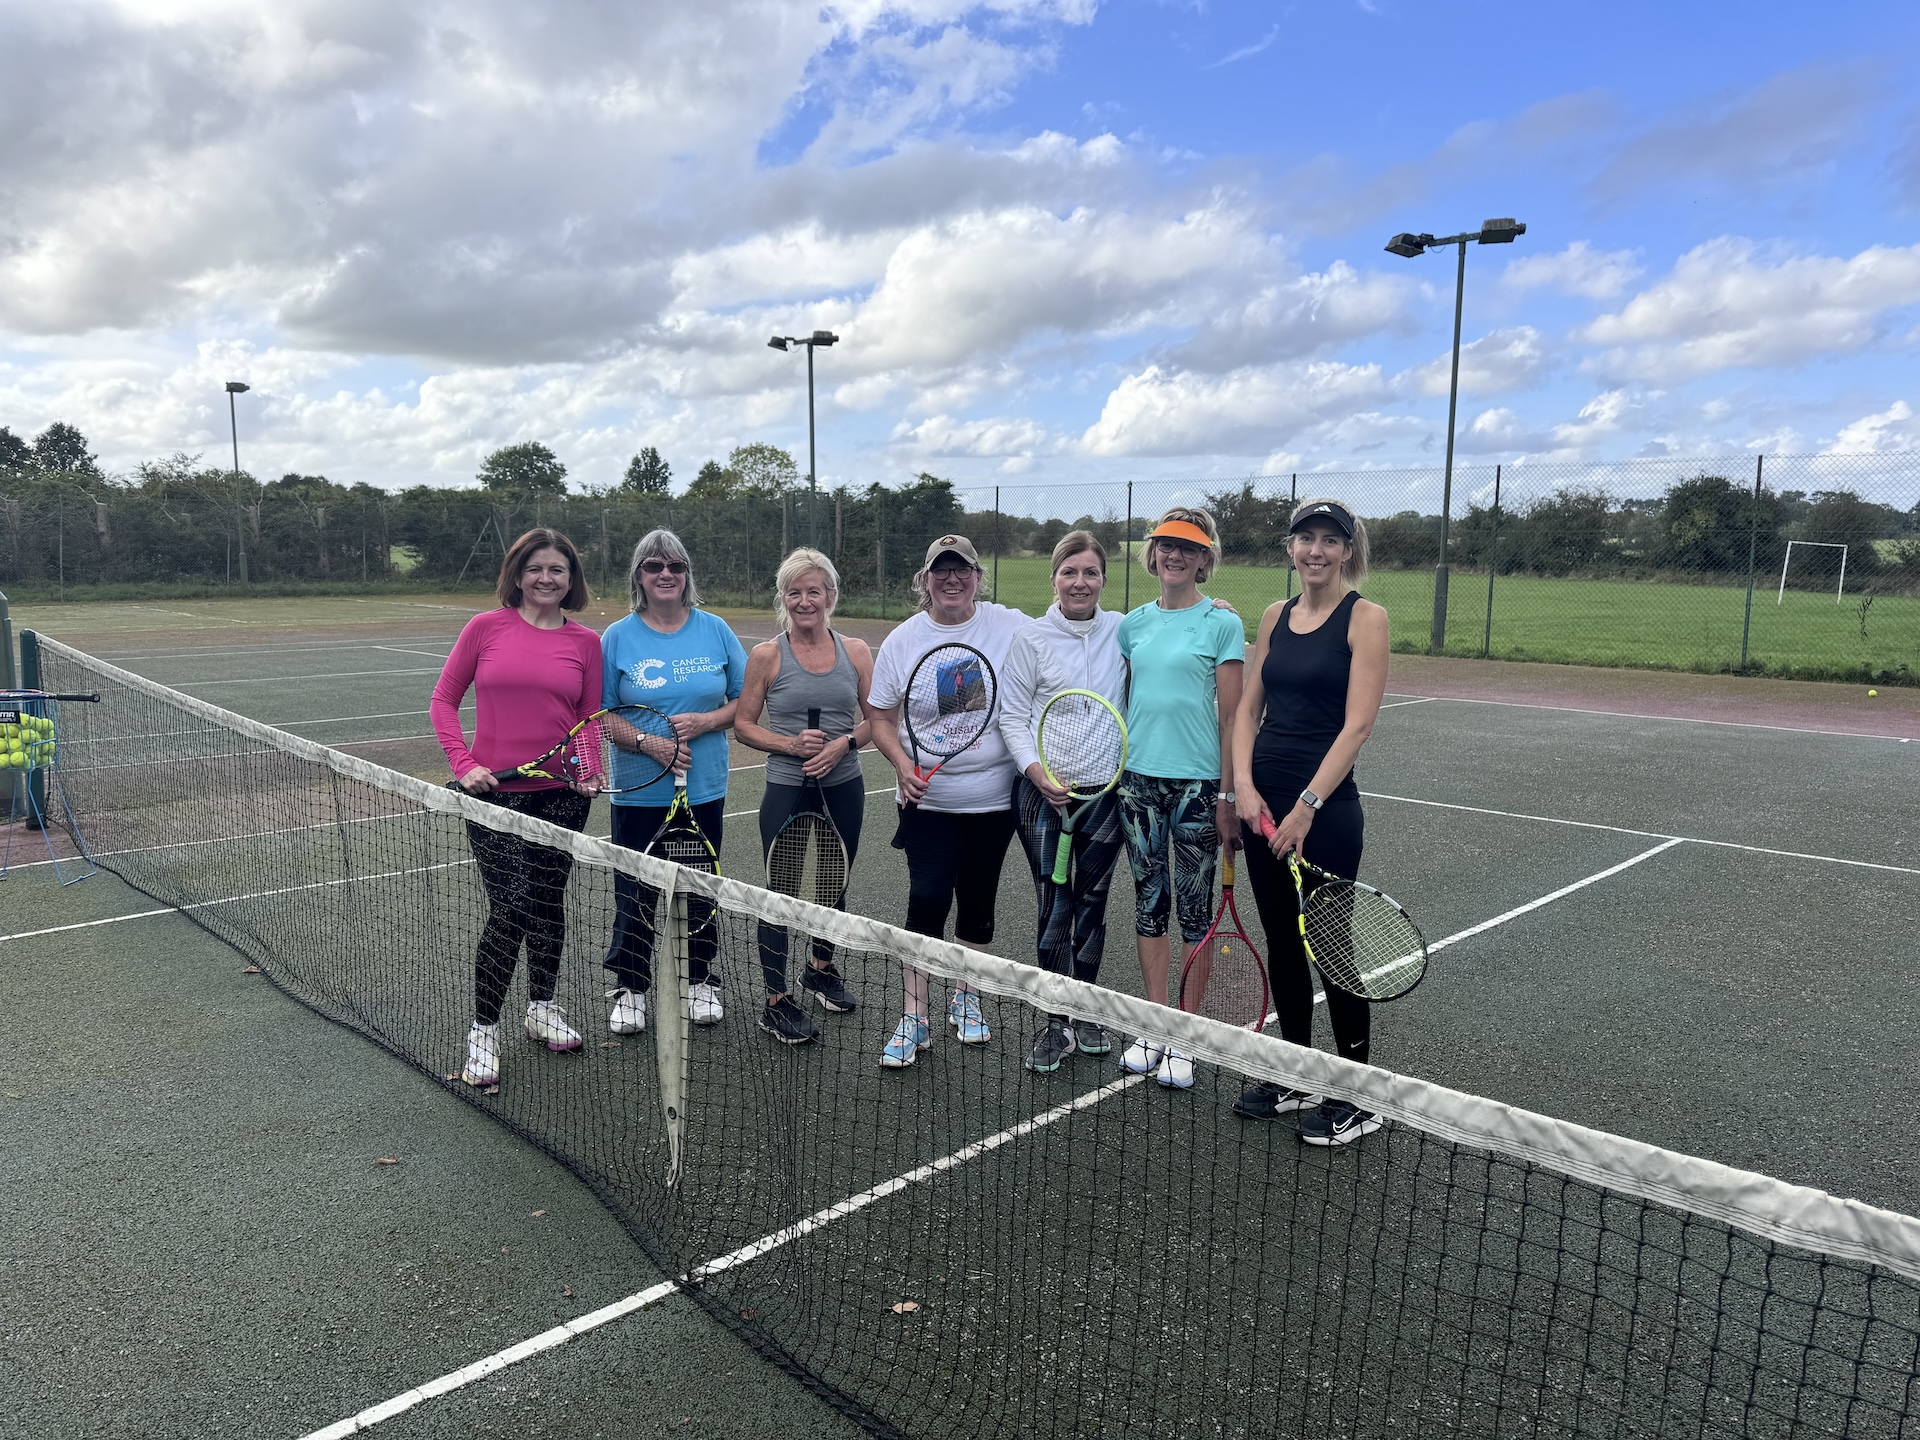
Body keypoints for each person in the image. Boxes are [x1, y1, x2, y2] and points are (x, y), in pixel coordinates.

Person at [1231, 498, 1389, 1145]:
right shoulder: (1274, 615)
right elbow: (1246, 712)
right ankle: (1297, 1074)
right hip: (1261, 811)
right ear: (1291, 548)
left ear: (1348, 550)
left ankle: (1357, 1095)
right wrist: (1242, 787)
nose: (1316, 550)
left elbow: (1358, 726)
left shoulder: (1367, 619)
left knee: (1330, 948)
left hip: (1322, 815)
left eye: (1330, 540)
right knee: (1281, 941)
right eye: (1306, 539)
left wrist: (1305, 808)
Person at [430, 528, 604, 1089]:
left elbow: (588, 718)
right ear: (518, 574)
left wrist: (589, 768)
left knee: (548, 903)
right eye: (536, 569)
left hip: (561, 799)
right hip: (491, 797)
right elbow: (443, 700)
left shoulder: (585, 643)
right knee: (508, 910)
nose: (546, 578)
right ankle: (483, 1033)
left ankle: (541, 1008)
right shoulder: (485, 628)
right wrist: (463, 764)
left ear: (570, 579)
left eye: (558, 569)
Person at [865, 534, 1044, 1068]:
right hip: (929, 802)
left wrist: (1202, 601)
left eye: (961, 569)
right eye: (940, 571)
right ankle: (915, 1015)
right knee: (926, 898)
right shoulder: (903, 640)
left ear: (977, 577)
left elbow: (1076, 618)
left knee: (978, 903)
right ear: (926, 580)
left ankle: (966, 998)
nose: (951, 579)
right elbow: (879, 718)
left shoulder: (1009, 623)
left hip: (994, 801)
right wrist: (902, 766)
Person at [1115, 507, 1244, 1091]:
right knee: (1149, 905)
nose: (1175, 555)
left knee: (1195, 914)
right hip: (1138, 784)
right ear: (1153, 553)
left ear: (1204, 559)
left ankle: (1187, 1035)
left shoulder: (1223, 625)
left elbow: (1233, 717)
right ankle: (1158, 1023)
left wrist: (1228, 792)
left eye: (1188, 548)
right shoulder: (1132, 624)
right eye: (1166, 545)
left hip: (1198, 789)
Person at [600, 529, 747, 1034]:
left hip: (702, 787)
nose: (666, 575)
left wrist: (705, 722)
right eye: (654, 566)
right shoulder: (617, 636)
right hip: (640, 791)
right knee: (635, 889)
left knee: (698, 888)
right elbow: (603, 715)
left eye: (676, 567)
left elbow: (744, 702)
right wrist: (651, 744)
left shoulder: (715, 629)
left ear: (687, 576)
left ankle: (699, 979)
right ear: (639, 576)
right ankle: (631, 986)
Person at [733, 548, 875, 1044]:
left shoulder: (856, 651)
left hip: (843, 785)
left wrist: (844, 744)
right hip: (787, 789)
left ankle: (820, 967)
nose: (805, 600)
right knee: (781, 892)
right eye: (795, 591)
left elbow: (877, 721)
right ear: (784, 598)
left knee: (834, 880)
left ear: (831, 595)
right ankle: (775, 999)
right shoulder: (767, 655)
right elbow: (744, 727)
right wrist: (789, 744)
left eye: (814, 590)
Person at [998, 531, 1128, 1072]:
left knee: (1092, 904)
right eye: (1069, 572)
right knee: (1054, 903)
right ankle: (1056, 1021)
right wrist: (1037, 772)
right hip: (1041, 799)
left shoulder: (1126, 629)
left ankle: (1087, 1009)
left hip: (1106, 796)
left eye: (1090, 573)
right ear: (1054, 579)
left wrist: (1213, 607)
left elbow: (1177, 620)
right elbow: (1012, 715)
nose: (1080, 582)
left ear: (1103, 579)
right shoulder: (1031, 638)